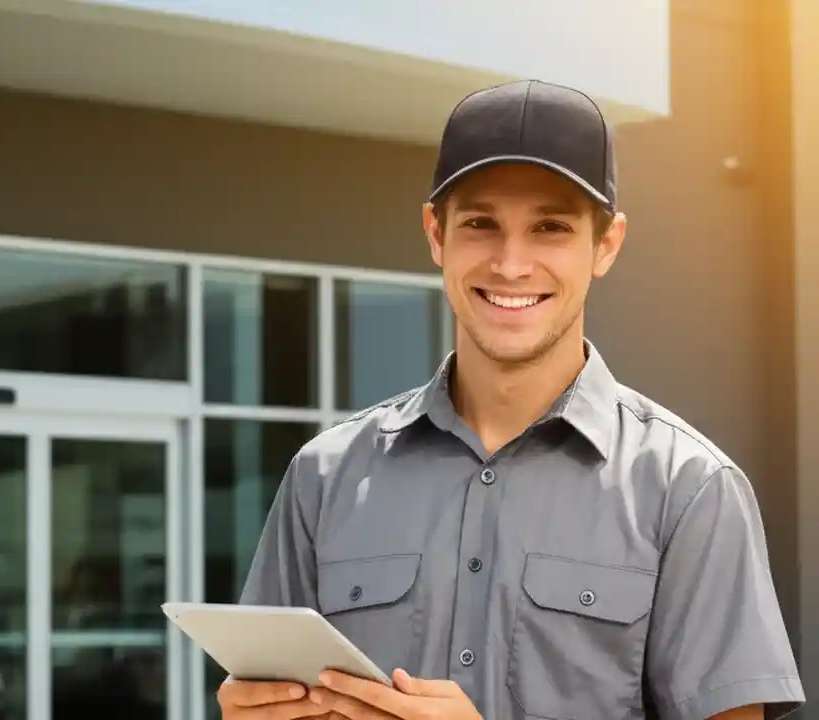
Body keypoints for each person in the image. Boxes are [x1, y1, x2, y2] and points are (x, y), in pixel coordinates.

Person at [216, 79, 805, 720]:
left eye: (550, 227)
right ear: (435, 234)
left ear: (605, 245)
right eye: (480, 224)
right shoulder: (324, 476)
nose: (511, 264)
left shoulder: (689, 490)